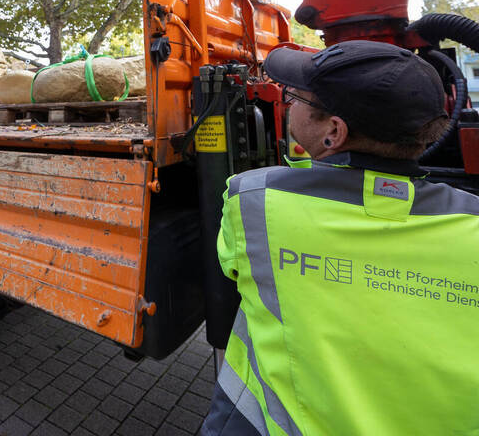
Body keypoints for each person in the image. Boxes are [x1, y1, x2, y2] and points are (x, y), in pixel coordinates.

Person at [201, 40, 479, 436]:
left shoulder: (253, 202)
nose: (287, 102)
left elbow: (233, 269)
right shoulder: (471, 221)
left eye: (294, 97)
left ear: (334, 131)